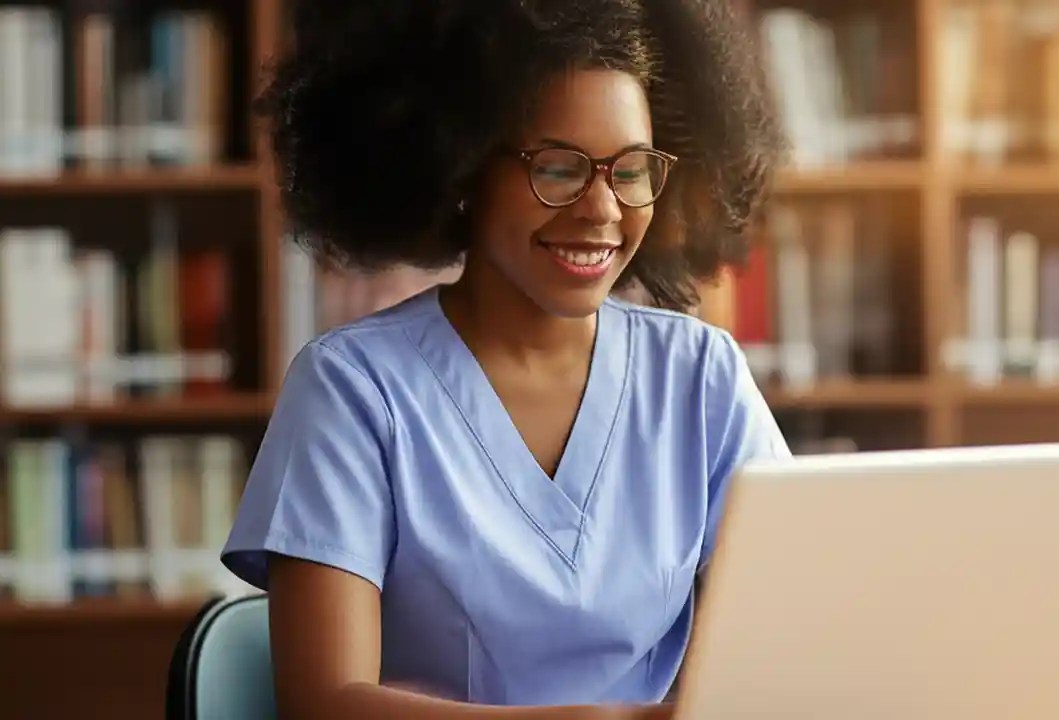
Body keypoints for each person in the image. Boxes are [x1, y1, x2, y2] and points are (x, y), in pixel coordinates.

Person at [220, 1, 791, 718]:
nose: (602, 209)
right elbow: (324, 704)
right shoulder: (354, 390)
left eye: (632, 169)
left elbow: (791, 641)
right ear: (459, 168)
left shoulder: (700, 377)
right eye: (558, 168)